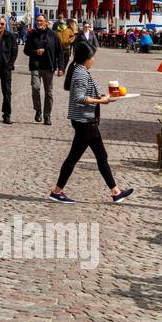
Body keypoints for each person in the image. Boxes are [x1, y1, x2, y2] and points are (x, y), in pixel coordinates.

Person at [48, 41, 133, 204]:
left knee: (100, 156)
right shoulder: (80, 73)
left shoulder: (81, 70)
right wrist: (101, 102)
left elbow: (83, 93)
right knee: (75, 158)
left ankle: (116, 191)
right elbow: (78, 98)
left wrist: (102, 97)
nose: (93, 60)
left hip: (86, 121)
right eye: (92, 57)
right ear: (86, 58)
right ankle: (57, 191)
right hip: (84, 121)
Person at [23, 14, 62, 125]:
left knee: (48, 92)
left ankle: (47, 115)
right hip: (35, 66)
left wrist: (61, 67)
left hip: (49, 66)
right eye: (38, 21)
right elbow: (26, 50)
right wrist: (35, 51)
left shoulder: (53, 35)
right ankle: (38, 110)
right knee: (35, 88)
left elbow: (60, 52)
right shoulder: (32, 35)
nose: (39, 23)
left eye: (41, 21)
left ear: (46, 22)